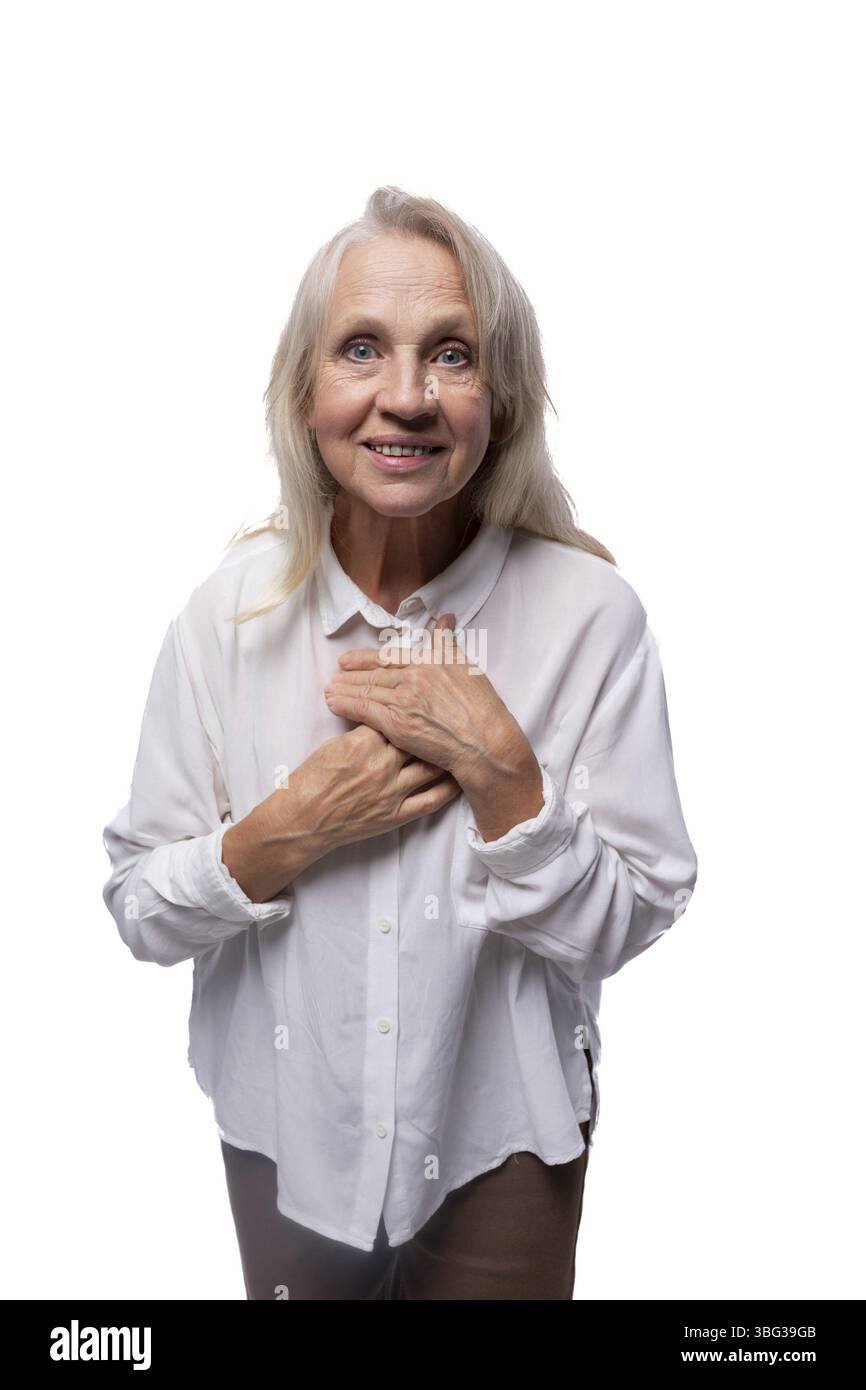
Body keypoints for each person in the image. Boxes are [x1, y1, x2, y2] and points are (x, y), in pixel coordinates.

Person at [102, 185, 698, 1300]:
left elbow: (634, 914)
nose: (407, 396)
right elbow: (139, 905)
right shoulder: (223, 620)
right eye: (362, 348)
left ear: (500, 397)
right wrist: (278, 834)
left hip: (502, 1146)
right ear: (305, 389)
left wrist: (506, 780)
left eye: (452, 355)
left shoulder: (589, 618)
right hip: (281, 1147)